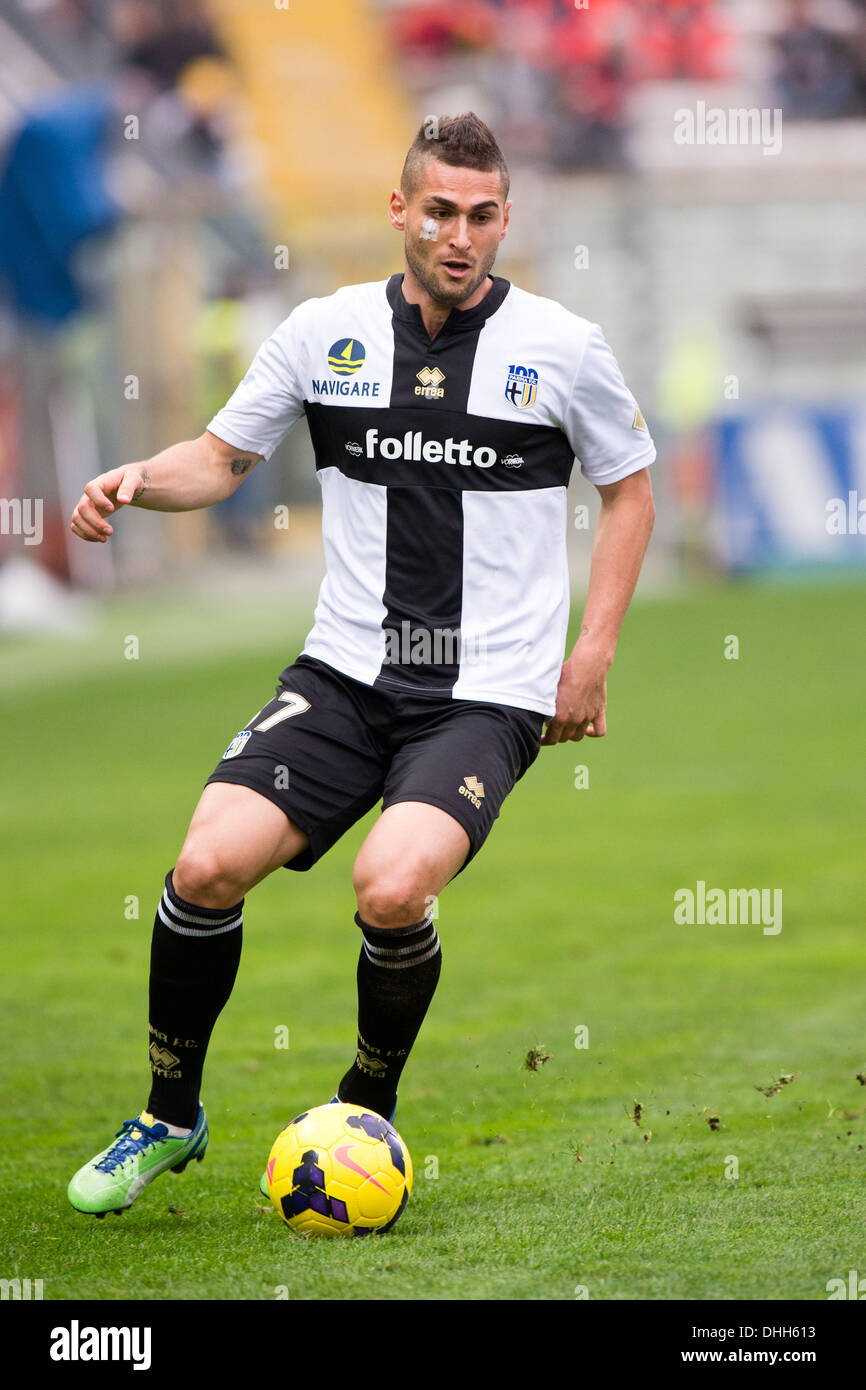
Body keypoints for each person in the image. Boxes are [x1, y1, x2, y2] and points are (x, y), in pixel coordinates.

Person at [66, 113, 655, 1217]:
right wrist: (138, 477)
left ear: (503, 220)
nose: (459, 235)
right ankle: (167, 1112)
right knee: (204, 866)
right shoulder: (321, 332)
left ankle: (361, 1101)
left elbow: (628, 489)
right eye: (439, 211)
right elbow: (220, 456)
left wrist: (592, 652)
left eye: (481, 215)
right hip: (345, 673)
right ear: (400, 211)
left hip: (485, 691)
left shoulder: (561, 347)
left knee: (389, 885)